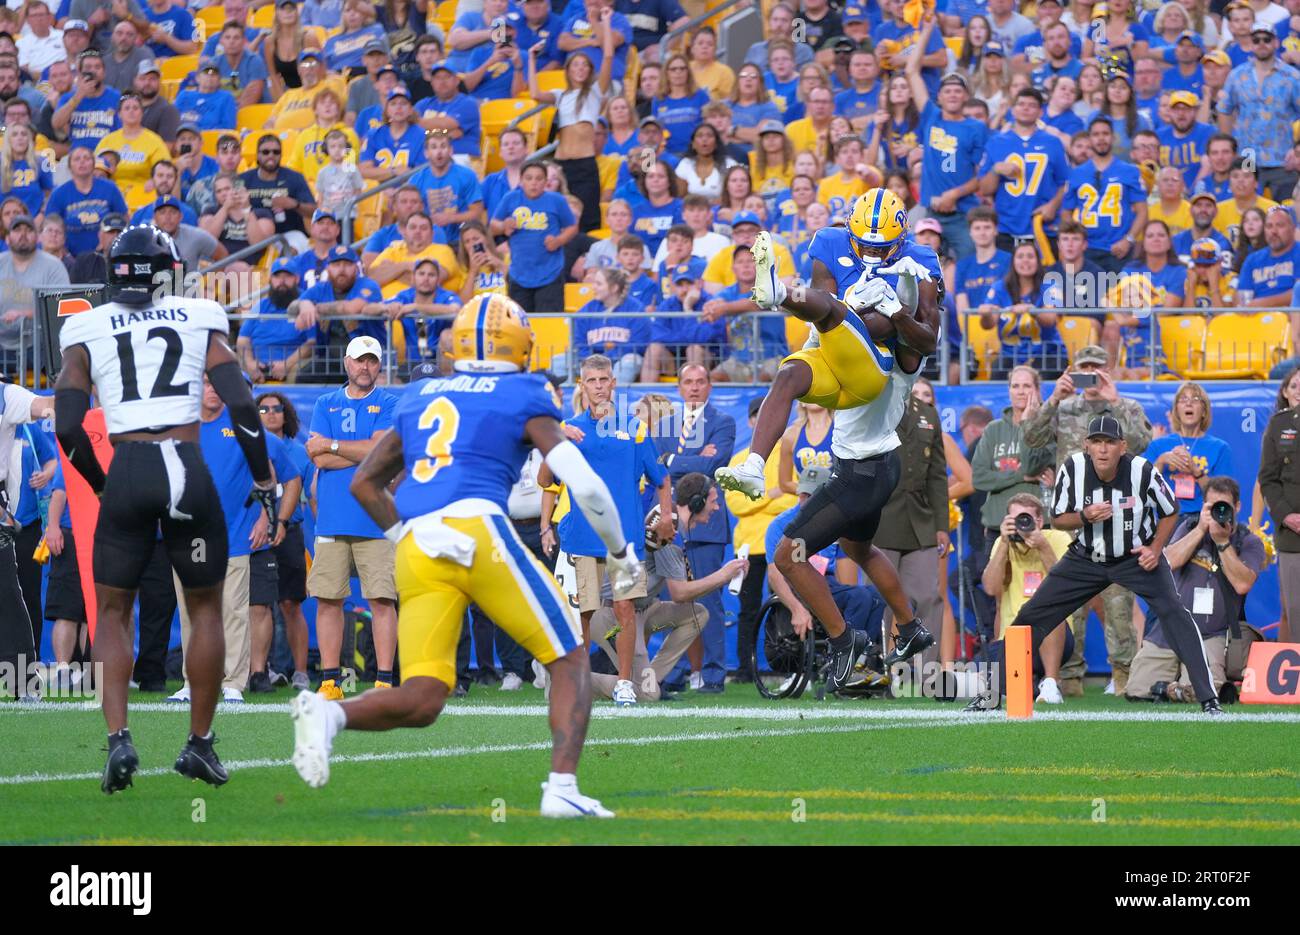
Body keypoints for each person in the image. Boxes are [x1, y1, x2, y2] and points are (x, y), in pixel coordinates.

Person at [291, 296, 635, 817]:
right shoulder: (523, 389)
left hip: (418, 545)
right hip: (477, 529)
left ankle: (328, 715)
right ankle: (562, 790)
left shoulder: (419, 391)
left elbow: (364, 482)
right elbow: (582, 482)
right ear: (517, 340)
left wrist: (406, 532)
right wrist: (620, 551)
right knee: (569, 654)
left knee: (425, 696)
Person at [55, 225, 277, 789]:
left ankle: (118, 739)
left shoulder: (84, 325)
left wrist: (103, 484)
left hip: (127, 466)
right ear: (166, 272)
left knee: (111, 612)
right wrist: (263, 480)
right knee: (204, 609)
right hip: (184, 462)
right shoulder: (200, 314)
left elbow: (66, 425)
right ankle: (199, 744)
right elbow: (243, 404)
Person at [968, 416, 1223, 715]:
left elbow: (1170, 510)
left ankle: (1209, 699)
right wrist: (1086, 516)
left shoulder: (1142, 471)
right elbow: (1060, 517)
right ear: (1087, 445)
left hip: (1133, 557)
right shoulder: (1073, 468)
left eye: (1110, 442)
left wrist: (1155, 549)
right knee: (1031, 615)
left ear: (1122, 446)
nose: (1103, 449)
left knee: (1175, 613)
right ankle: (990, 695)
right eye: (1097, 442)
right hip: (1086, 557)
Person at [537, 353, 672, 707]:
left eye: (604, 380)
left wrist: (669, 516)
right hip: (582, 537)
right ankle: (580, 680)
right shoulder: (568, 429)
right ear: (582, 385)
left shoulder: (635, 428)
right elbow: (543, 480)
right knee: (582, 614)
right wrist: (554, 438)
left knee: (625, 610)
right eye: (591, 380)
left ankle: (624, 683)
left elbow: (662, 478)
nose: (598, 386)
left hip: (624, 539)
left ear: (613, 383)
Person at [1022, 344, 1153, 695]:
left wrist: (1117, 400)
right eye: (1084, 369)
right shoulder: (1064, 408)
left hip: (1116, 517)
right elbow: (1031, 440)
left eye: (1097, 368)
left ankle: (1122, 673)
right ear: (1073, 371)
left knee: (1118, 601)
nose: (1091, 375)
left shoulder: (1125, 406)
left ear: (1108, 370)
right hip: (1073, 518)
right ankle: (1071, 676)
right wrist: (1052, 398)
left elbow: (1140, 444)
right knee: (1069, 602)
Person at [305, 335, 399, 699]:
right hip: (331, 516)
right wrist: (362, 452)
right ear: (347, 362)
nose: (366, 367)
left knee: (382, 600)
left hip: (375, 519)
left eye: (372, 361)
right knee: (328, 600)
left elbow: (379, 451)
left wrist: (332, 445)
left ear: (379, 364)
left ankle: (383, 681)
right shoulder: (325, 401)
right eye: (360, 360)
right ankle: (331, 681)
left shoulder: (389, 402)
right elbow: (319, 459)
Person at [1126, 476, 1263, 702]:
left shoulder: (1247, 542)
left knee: (1207, 691)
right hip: (1169, 631)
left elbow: (1242, 584)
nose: (1218, 512)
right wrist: (1201, 529)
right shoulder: (1189, 527)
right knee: (1138, 692)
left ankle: (1173, 689)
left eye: (1224, 507)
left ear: (1237, 507)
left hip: (1211, 635)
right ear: (1203, 507)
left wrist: (1222, 543)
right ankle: (1178, 687)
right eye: (1212, 507)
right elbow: (1168, 561)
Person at [873, 372, 949, 671]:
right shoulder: (875, 407)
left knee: (929, 596)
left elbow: (937, 474)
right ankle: (877, 670)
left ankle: (927, 671)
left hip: (921, 520)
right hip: (880, 519)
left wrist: (942, 525)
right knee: (880, 602)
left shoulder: (927, 413)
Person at [979, 492, 1074, 705]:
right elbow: (991, 589)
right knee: (995, 682)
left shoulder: (1057, 539)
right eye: (1015, 520)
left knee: (1050, 612)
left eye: (1027, 518)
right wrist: (1003, 544)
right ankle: (1029, 683)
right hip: (1012, 637)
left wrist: (1042, 546)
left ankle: (1051, 682)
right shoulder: (1001, 544)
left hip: (1054, 637)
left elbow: (1066, 585)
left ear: (1040, 521)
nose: (1022, 525)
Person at [256, 391, 314, 691]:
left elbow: (310, 493)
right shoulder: (244, 446)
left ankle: (300, 672)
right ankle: (259, 670)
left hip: (289, 531)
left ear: (286, 413)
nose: (270, 413)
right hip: (253, 533)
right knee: (256, 606)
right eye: (262, 409)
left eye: (276, 408)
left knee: (291, 603)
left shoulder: (301, 452)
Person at [978, 88, 1070, 252]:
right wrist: (995, 170)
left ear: (1040, 112)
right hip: (1006, 228)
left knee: (1048, 277)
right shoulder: (996, 142)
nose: (1026, 108)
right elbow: (984, 189)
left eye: (1032, 105)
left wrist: (1053, 205)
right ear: (1013, 110)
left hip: (1043, 227)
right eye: (1021, 104)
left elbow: (1065, 182)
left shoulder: (1053, 142)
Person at [1217, 21, 1300, 200]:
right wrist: (1229, 146)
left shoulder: (1292, 76)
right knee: (1249, 212)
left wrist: (1298, 149)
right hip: (1247, 156)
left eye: (1266, 39)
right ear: (1251, 44)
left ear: (1276, 42)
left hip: (1282, 158)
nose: (1261, 43)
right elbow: (1224, 109)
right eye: (1256, 39)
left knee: (1283, 212)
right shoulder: (1237, 75)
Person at [1062, 117, 1149, 274]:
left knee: (1118, 297)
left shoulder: (1130, 171)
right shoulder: (1076, 174)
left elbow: (1143, 211)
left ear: (1113, 137)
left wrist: (1128, 240)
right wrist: (1078, 242)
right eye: (1096, 134)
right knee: (1087, 298)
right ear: (1089, 139)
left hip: (1119, 250)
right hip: (1087, 251)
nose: (1101, 138)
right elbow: (1066, 213)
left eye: (1105, 133)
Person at [490, 160, 578, 314]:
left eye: (539, 178)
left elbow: (572, 227)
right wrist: (504, 226)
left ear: (545, 181)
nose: (534, 183)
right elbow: (492, 226)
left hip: (550, 274)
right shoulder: (510, 199)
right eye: (529, 178)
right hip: (518, 274)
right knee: (520, 327)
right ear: (521, 180)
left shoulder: (557, 200)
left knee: (548, 326)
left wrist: (559, 241)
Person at [0, 216, 69, 375]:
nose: (23, 234)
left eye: (28, 230)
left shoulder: (53, 266)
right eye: (17, 230)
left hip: (38, 346)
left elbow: (61, 308)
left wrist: (25, 314)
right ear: (8, 238)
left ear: (37, 237)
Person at [237, 258, 316, 382]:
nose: (282, 281)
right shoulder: (260, 305)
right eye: (277, 276)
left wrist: (287, 364)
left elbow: (311, 343)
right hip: (257, 365)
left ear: (297, 279)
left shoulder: (306, 304)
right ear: (270, 280)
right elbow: (243, 339)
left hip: (292, 366)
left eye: (287, 276)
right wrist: (250, 364)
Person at [52, 49, 120, 151]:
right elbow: (56, 123)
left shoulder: (116, 97)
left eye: (97, 67)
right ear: (79, 73)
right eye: (88, 67)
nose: (93, 71)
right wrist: (79, 95)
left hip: (107, 154)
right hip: (77, 156)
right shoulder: (68, 98)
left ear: (104, 72)